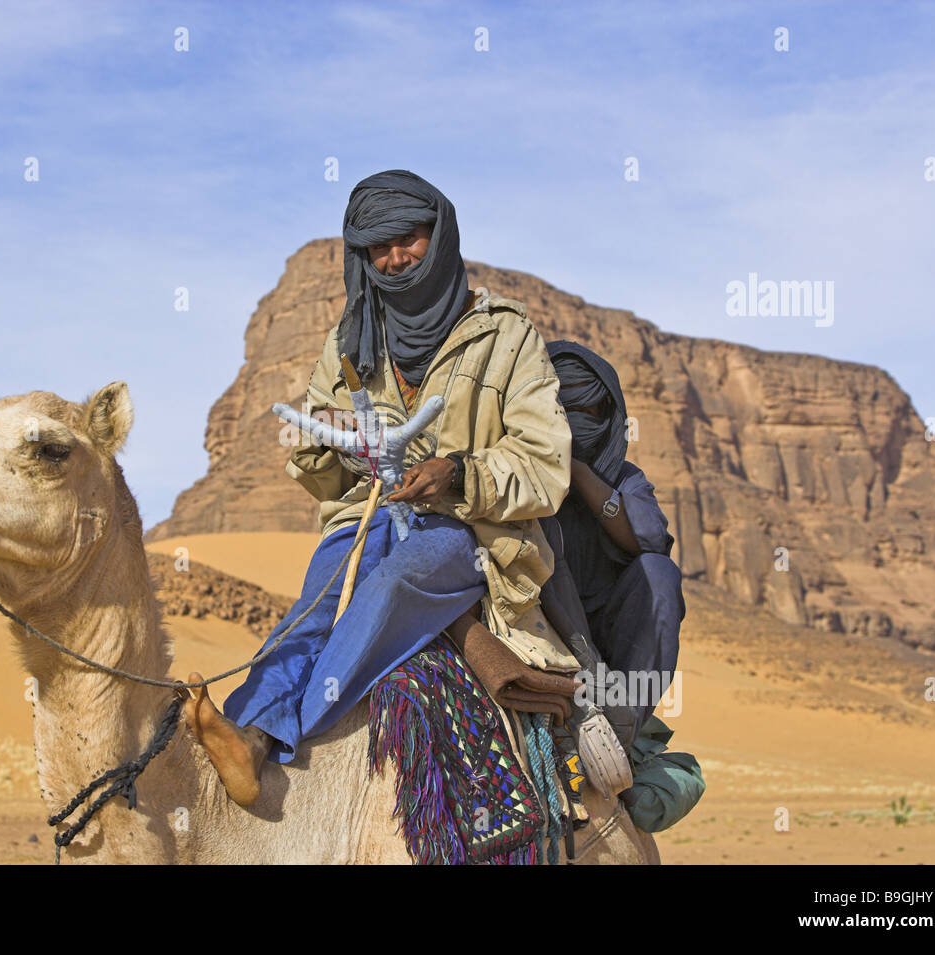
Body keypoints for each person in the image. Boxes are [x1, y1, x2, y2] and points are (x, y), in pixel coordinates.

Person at [182, 170, 575, 807]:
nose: (394, 260)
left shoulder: (506, 335)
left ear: (438, 235)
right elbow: (324, 472)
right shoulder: (351, 339)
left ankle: (284, 730)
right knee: (323, 591)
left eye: (407, 240)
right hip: (364, 519)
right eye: (377, 249)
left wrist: (458, 472)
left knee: (391, 588)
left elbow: (544, 464)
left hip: (469, 533)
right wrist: (327, 440)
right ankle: (248, 734)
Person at [537, 341, 685, 742]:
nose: (577, 424)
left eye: (590, 413)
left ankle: (622, 726)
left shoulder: (625, 478)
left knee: (659, 574)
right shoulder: (521, 473)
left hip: (617, 640)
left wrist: (581, 473)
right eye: (566, 412)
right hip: (540, 632)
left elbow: (650, 540)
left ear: (609, 415)